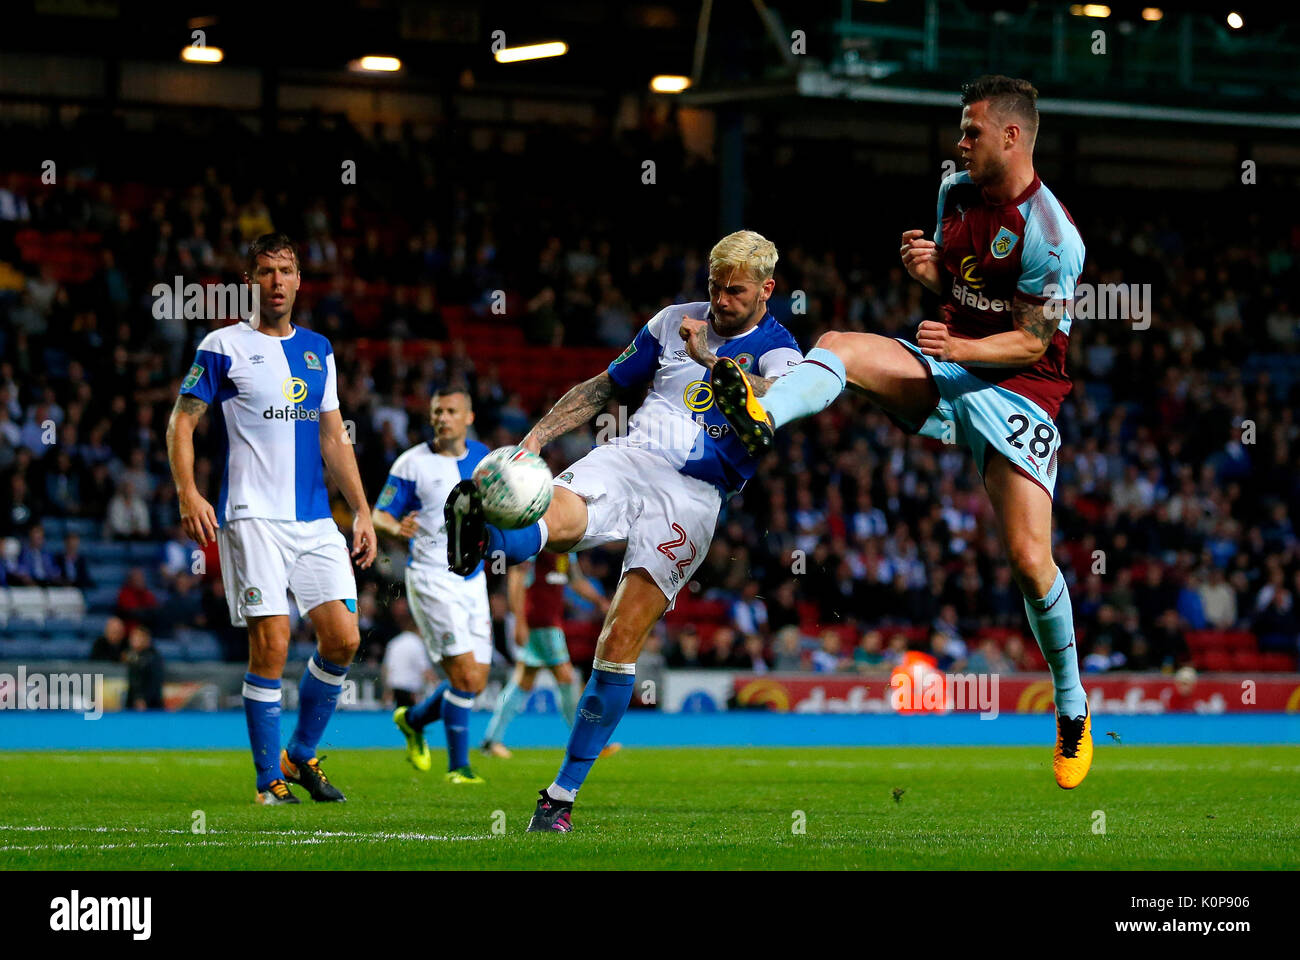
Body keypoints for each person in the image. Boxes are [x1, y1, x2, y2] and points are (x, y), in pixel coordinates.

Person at [708, 75, 1093, 790]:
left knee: (1030, 560)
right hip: (949, 366)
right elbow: (966, 287)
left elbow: (1034, 342)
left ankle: (1071, 708)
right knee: (842, 346)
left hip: (1020, 395)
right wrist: (934, 273)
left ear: (1012, 136)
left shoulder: (1053, 235)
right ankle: (762, 413)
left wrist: (960, 345)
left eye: (973, 131)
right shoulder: (954, 195)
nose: (961, 142)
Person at [445, 229, 802, 831]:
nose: (720, 301)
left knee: (619, 641)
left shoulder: (781, 350)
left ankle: (559, 797)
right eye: (714, 287)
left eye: (736, 291)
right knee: (555, 518)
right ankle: (484, 538)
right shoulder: (672, 321)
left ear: (768, 289)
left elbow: (774, 400)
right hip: (631, 456)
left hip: (693, 497)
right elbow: (606, 386)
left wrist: (709, 360)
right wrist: (537, 437)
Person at [166, 233, 376, 805]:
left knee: (343, 638)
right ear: (248, 281)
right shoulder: (222, 345)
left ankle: (300, 753)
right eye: (264, 271)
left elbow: (333, 435)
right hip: (252, 516)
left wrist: (361, 511)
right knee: (274, 642)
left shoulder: (318, 349)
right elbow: (182, 422)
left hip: (313, 521)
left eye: (285, 270)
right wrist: (189, 492)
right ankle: (267, 782)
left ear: (300, 280)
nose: (276, 281)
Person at [376, 388, 493, 783]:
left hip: (473, 579)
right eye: (437, 411)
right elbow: (380, 515)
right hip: (430, 578)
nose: (443, 417)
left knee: (476, 680)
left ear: (468, 417)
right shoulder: (411, 464)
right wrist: (397, 527)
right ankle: (459, 768)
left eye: (451, 411)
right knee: (462, 677)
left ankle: (412, 719)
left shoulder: (484, 459)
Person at [479, 550, 613, 758]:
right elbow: (517, 577)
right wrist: (519, 622)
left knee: (523, 680)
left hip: (549, 622)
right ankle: (586, 742)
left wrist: (600, 601)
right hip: (540, 623)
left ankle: (491, 740)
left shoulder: (567, 549)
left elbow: (576, 581)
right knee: (566, 678)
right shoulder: (539, 545)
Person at [381, 599, 435, 710]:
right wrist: (440, 687)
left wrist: (387, 691)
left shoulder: (394, 642)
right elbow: (426, 671)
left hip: (394, 692)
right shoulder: (417, 644)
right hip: (410, 693)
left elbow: (385, 669)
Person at [125, 624, 164, 710]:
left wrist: (142, 699)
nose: (135, 639)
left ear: (147, 639)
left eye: (139, 636)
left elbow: (155, 682)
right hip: (132, 705)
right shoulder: (131, 655)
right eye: (133, 636)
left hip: (150, 706)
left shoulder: (154, 657)